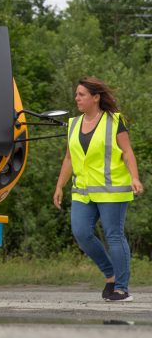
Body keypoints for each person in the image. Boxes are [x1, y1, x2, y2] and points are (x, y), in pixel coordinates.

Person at [53, 77, 144, 301]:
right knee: (81, 233)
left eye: (81, 95)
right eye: (76, 94)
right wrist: (59, 186)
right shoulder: (74, 123)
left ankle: (121, 288)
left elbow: (127, 151)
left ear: (96, 97)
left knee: (114, 235)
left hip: (113, 189)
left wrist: (135, 177)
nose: (77, 98)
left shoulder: (115, 120)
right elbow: (69, 158)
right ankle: (110, 274)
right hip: (83, 190)